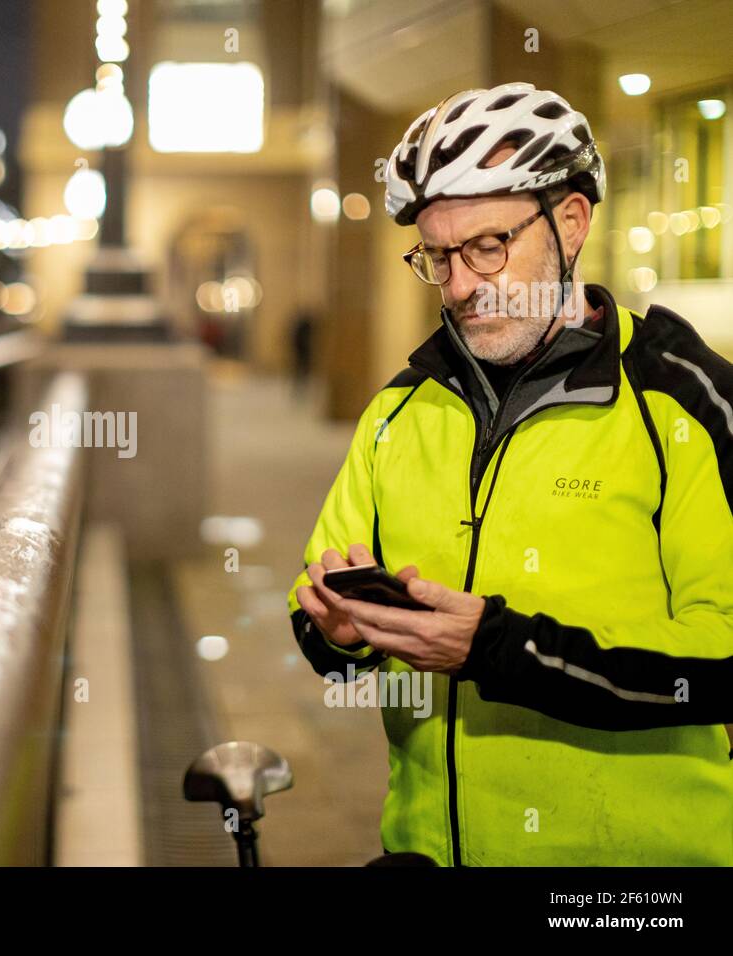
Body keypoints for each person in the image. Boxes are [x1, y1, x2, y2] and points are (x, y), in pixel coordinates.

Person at [286, 81, 733, 866]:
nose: (458, 285)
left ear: (571, 221)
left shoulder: (688, 405)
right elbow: (315, 607)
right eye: (437, 255)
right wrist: (341, 633)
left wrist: (498, 649)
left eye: (488, 246)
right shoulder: (399, 412)